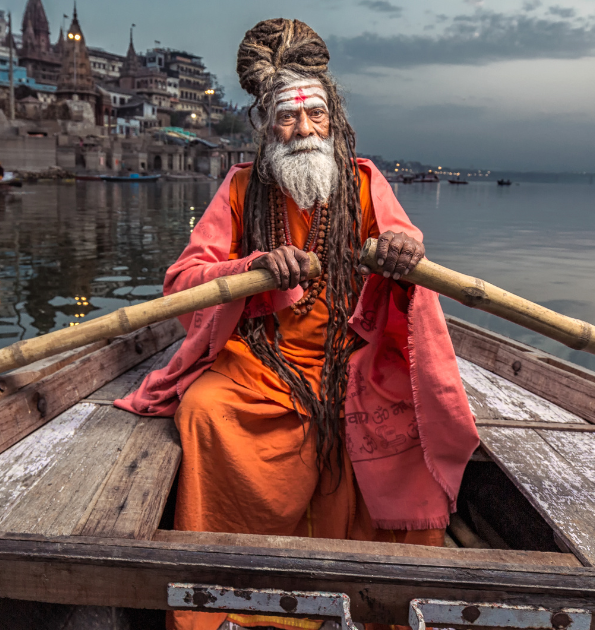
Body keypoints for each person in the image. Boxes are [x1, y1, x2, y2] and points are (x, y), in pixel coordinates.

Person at [115, 18, 478, 630]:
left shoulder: (363, 182)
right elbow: (182, 283)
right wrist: (254, 267)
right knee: (205, 411)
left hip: (352, 359)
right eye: (288, 117)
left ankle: (382, 602)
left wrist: (400, 251)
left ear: (333, 116)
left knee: (409, 418)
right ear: (265, 123)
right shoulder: (240, 189)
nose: (304, 131)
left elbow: (403, 234)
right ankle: (224, 605)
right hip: (260, 362)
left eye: (315, 116)